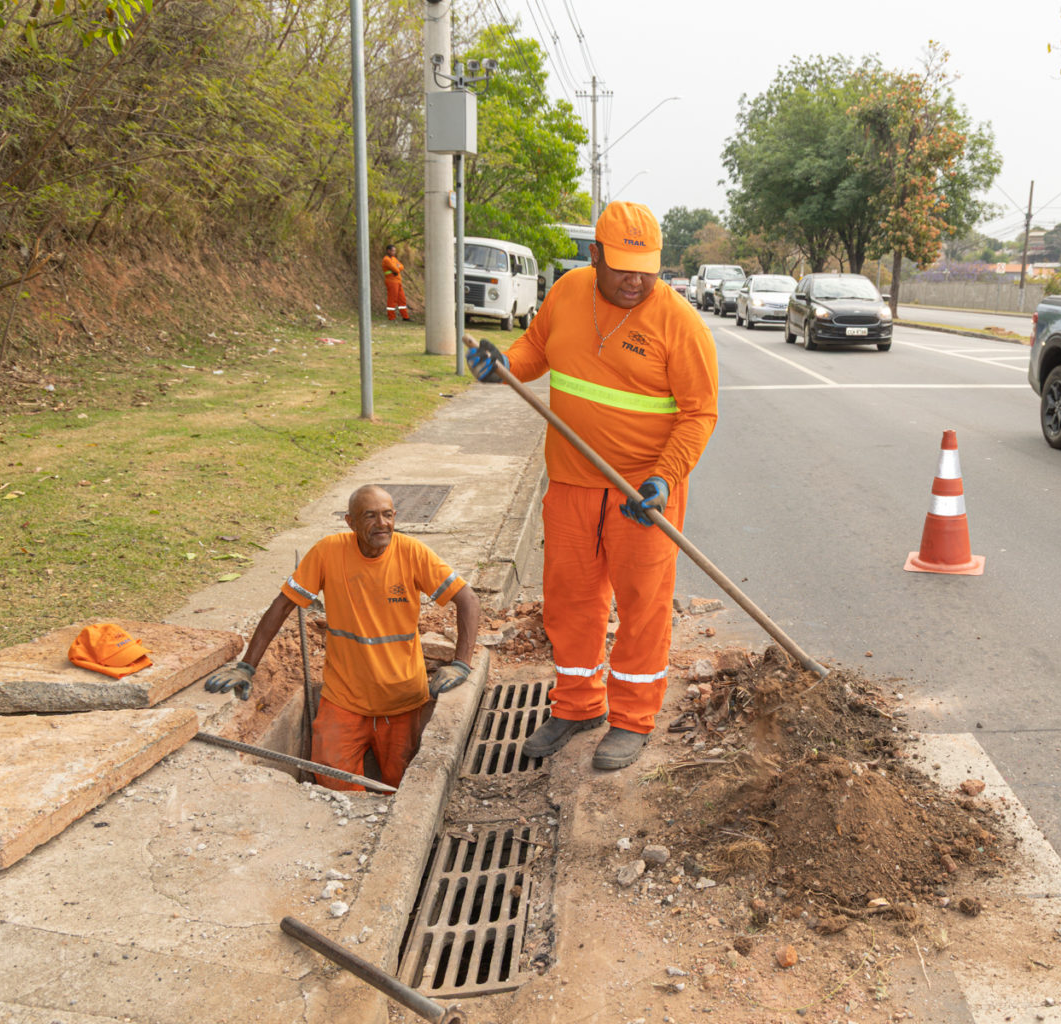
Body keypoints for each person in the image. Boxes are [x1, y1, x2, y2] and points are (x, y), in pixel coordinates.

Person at [467, 201, 718, 771]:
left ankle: (632, 719)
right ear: (595, 254)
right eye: (624, 265)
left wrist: (663, 477)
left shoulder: (680, 322)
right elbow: (536, 348)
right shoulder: (569, 293)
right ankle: (578, 704)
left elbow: (700, 414)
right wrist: (503, 362)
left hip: (643, 490)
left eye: (647, 267)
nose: (636, 279)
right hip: (573, 482)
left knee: (643, 607)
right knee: (571, 602)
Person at [202, 484, 479, 790]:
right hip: (344, 699)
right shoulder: (329, 551)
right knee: (332, 780)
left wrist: (461, 663)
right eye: (370, 516)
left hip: (402, 700)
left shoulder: (411, 553)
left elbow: (467, 599)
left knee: (401, 784)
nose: (382, 524)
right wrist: (247, 666)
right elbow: (282, 606)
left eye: (388, 515)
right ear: (351, 522)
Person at [382, 245, 410, 322]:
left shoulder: (393, 258)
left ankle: (405, 317)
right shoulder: (386, 259)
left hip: (398, 281)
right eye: (392, 251)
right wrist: (397, 267)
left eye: (394, 251)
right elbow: (396, 269)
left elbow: (402, 266)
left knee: (402, 299)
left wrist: (397, 267)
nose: (394, 252)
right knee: (392, 299)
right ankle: (391, 317)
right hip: (391, 281)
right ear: (388, 251)